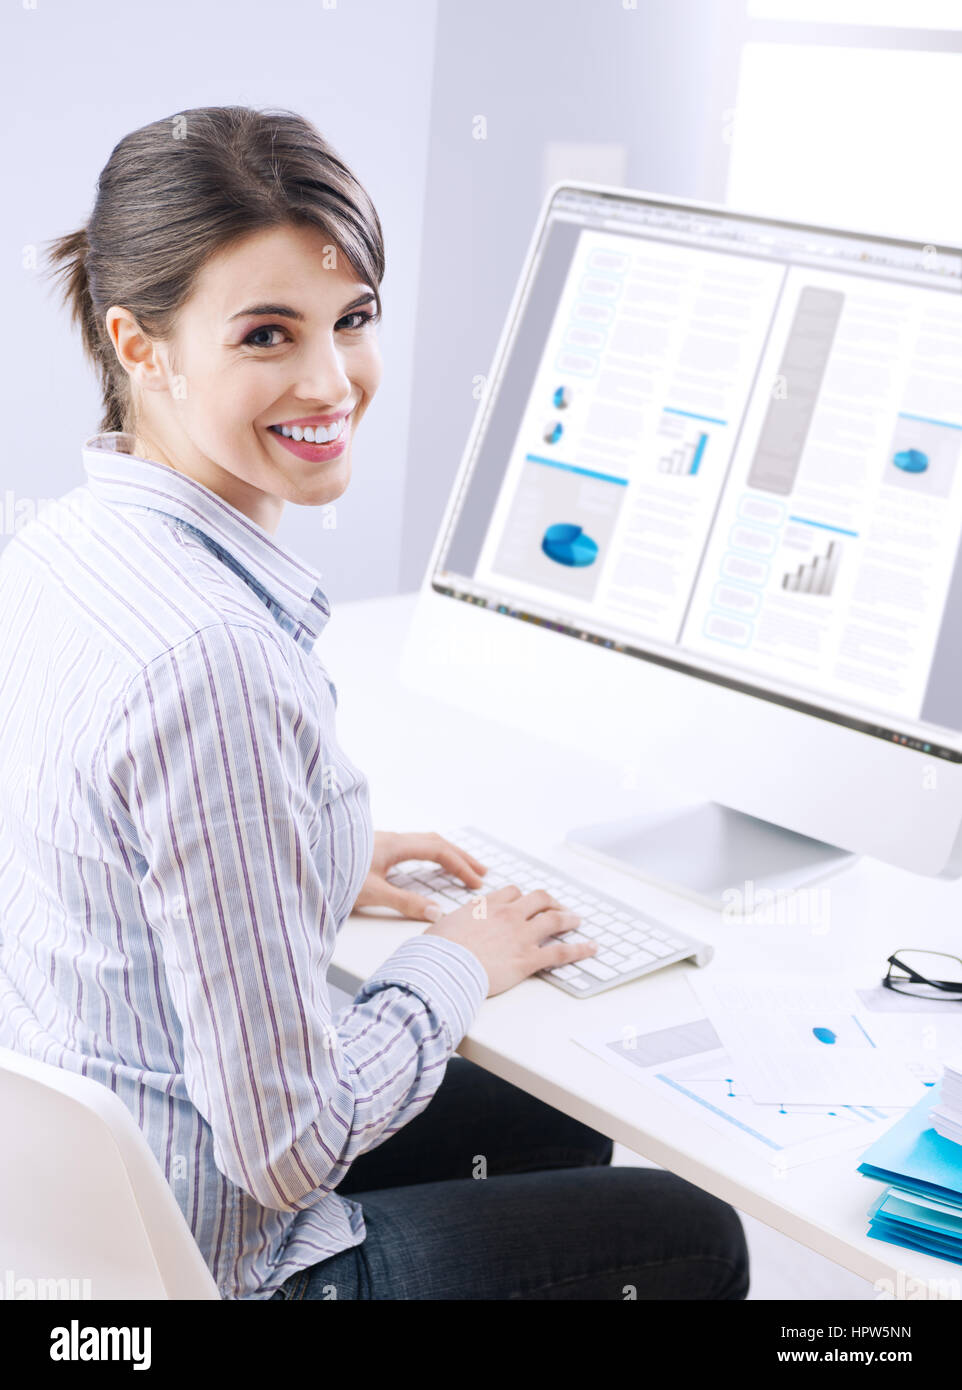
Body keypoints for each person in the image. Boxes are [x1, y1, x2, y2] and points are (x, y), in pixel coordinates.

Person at [0, 104, 749, 1301]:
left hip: (75, 1235)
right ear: (139, 346)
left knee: (535, 1118)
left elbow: (99, 853)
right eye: (265, 334)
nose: (329, 379)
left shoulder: (60, 549)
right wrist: (455, 958)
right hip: (222, 1263)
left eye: (351, 321)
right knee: (688, 1227)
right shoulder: (215, 661)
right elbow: (285, 1150)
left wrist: (299, 853)